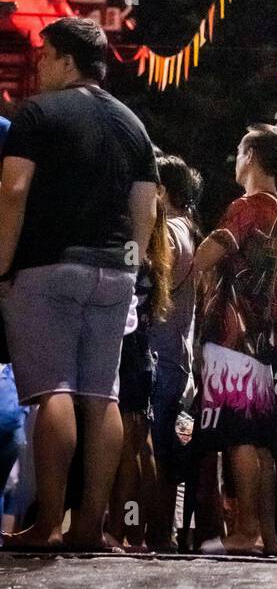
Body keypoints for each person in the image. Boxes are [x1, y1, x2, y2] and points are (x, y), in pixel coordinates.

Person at [0, 17, 158, 553]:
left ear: (67, 61)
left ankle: (47, 524)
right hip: (114, 273)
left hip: (49, 268)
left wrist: (2, 263)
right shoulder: (133, 124)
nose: (38, 66)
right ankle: (90, 526)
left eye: (45, 56)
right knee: (101, 395)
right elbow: (146, 208)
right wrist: (131, 266)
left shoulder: (35, 116)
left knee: (54, 392)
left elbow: (15, 189)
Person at [194, 124, 277, 556]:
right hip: (257, 340)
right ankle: (260, 534)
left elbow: (206, 256)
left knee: (236, 437)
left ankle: (245, 532)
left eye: (239, 149)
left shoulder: (247, 207)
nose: (235, 158)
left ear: (251, 155)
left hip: (231, 337)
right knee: (253, 439)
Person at [108, 204, 173, 549]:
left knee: (126, 457)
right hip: (142, 360)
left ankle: (122, 530)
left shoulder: (137, 258)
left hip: (131, 361)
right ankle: (141, 532)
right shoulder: (154, 257)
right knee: (137, 452)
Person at [149, 154, 201, 551]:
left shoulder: (172, 233)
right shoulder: (188, 230)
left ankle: (152, 532)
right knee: (166, 449)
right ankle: (161, 533)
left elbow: (152, 276)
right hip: (175, 356)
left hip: (163, 356)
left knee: (154, 444)